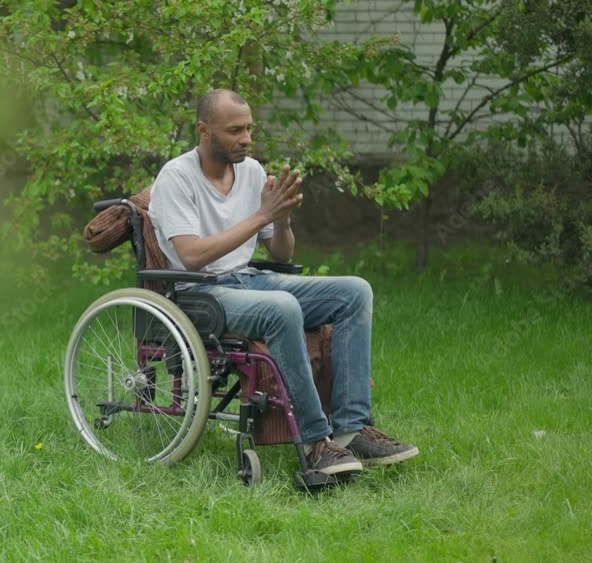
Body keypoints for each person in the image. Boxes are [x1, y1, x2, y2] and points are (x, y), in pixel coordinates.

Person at [148, 89, 419, 477]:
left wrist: (283, 219)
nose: (246, 139)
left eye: (249, 129)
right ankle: (315, 441)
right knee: (283, 307)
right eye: (235, 131)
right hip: (200, 293)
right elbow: (191, 256)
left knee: (355, 291)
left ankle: (351, 431)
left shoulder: (253, 172)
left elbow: (281, 253)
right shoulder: (177, 177)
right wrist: (262, 216)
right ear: (203, 130)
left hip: (250, 279)